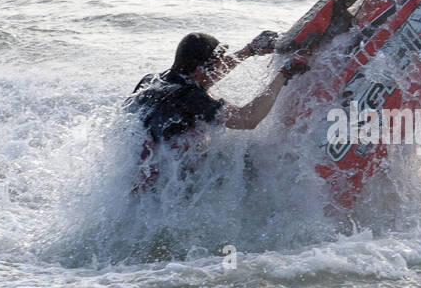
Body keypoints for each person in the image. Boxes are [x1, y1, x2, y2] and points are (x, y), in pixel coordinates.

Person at [125, 30, 309, 184]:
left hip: (135, 175)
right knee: (250, 161)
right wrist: (284, 74)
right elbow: (247, 119)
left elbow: (207, 75)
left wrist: (249, 50)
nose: (222, 66)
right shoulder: (191, 98)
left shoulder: (152, 81)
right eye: (219, 61)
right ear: (202, 68)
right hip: (162, 184)